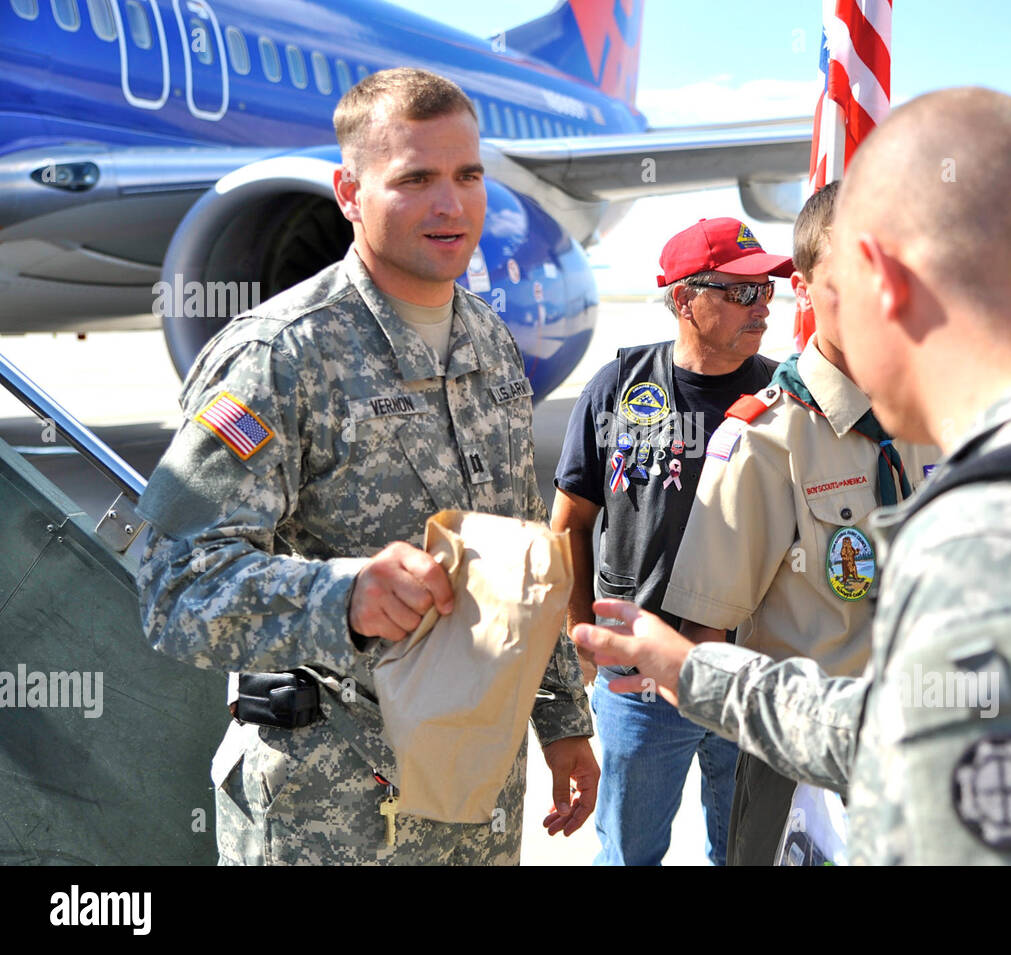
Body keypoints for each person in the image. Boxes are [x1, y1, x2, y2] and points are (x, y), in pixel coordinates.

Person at [571, 86, 1011, 864]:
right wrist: (687, 668)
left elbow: (924, 773)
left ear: (880, 279)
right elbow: (908, 722)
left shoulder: (991, 536)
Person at [135, 68, 597, 865]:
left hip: (475, 796)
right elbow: (174, 585)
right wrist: (342, 595)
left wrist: (562, 720)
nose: (450, 205)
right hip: (331, 815)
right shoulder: (277, 357)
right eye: (415, 179)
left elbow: (526, 556)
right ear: (349, 193)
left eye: (468, 176)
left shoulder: (489, 344)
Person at [660, 182, 936, 865]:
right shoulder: (764, 441)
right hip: (809, 783)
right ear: (806, 288)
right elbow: (704, 643)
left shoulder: (933, 417)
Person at [551, 217, 791, 865]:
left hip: (750, 677)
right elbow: (569, 523)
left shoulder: (785, 398)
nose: (763, 306)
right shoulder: (620, 386)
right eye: (741, 292)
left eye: (766, 290)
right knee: (630, 853)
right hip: (641, 682)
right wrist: (585, 643)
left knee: (746, 852)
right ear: (685, 299)